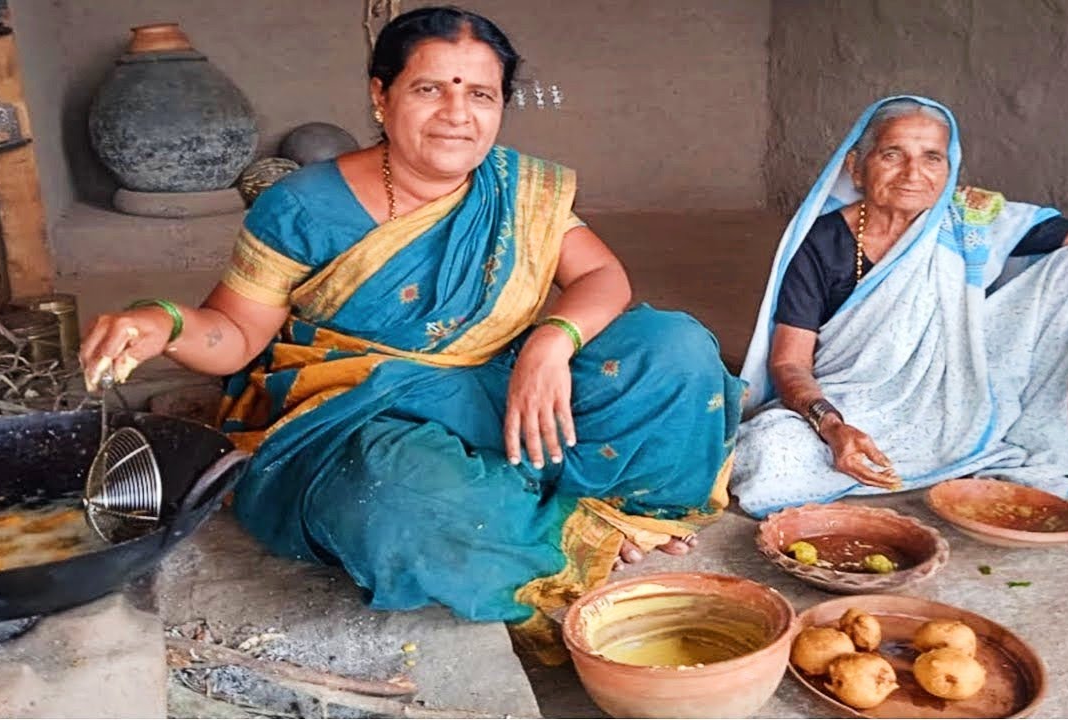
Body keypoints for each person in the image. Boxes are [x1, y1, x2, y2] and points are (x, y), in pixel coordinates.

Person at [80, 6, 745, 656]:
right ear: (381, 95)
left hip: (498, 384)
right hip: (359, 409)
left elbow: (602, 274)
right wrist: (162, 321)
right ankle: (565, 532)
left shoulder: (517, 188)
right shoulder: (304, 204)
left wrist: (551, 340)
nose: (458, 114)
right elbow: (235, 335)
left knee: (674, 348)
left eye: (480, 93)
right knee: (395, 495)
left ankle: (604, 507)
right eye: (430, 88)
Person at [731, 95, 1068, 518]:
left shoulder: (973, 220)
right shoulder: (821, 242)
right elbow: (790, 364)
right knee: (767, 457)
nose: (913, 173)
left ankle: (1002, 443)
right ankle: (951, 460)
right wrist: (833, 426)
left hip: (962, 400)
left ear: (949, 169)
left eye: (932, 158)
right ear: (856, 168)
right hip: (855, 405)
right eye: (892, 154)